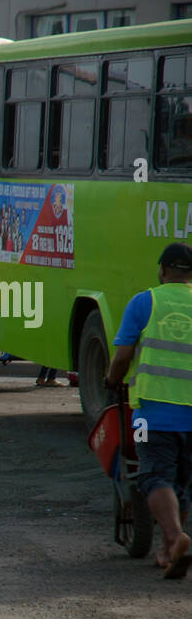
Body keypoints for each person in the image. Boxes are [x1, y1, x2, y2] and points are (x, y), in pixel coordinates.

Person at [105, 242, 192, 579]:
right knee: (182, 482)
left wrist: (112, 380)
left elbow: (123, 356)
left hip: (151, 413)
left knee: (154, 475)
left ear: (162, 270)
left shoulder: (145, 302)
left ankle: (174, 537)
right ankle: (168, 551)